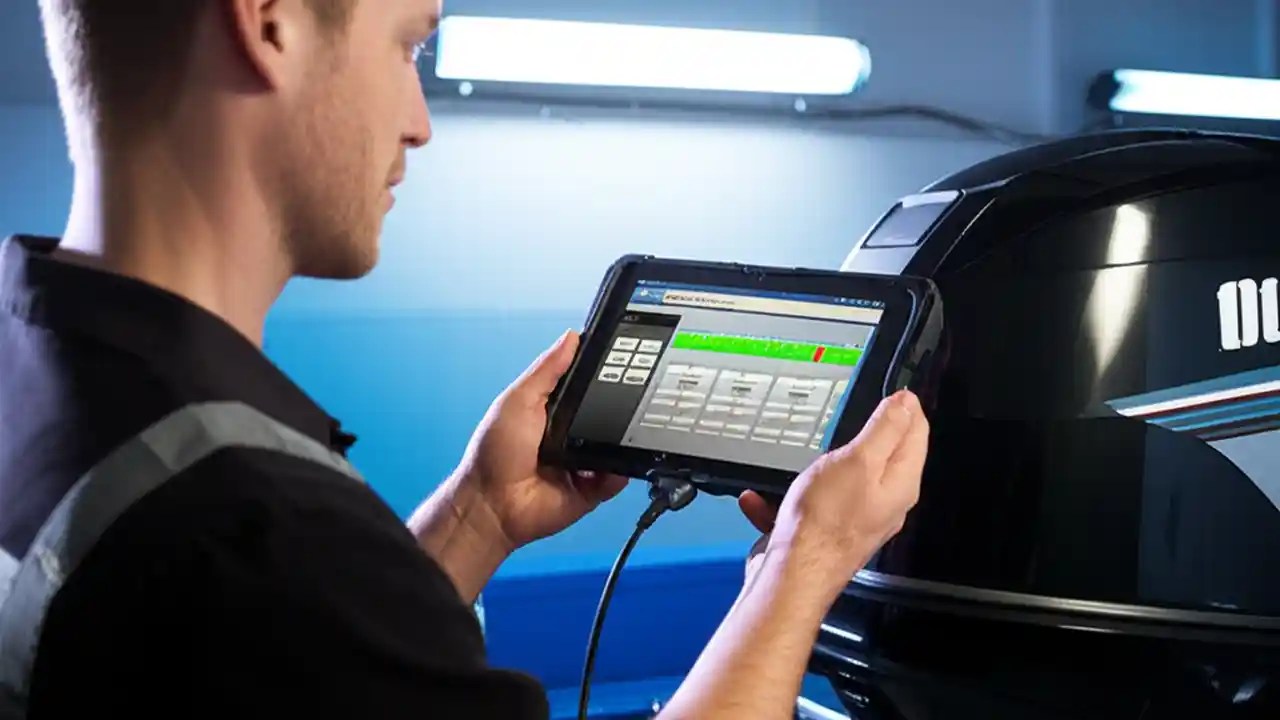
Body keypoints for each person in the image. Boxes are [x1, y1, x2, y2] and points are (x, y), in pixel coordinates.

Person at [0, 0, 928, 717]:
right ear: (269, 23)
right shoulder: (257, 526)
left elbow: (305, 671)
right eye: (407, 46)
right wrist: (803, 564)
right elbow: (288, 600)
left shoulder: (44, 383)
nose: (419, 122)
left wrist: (479, 515)